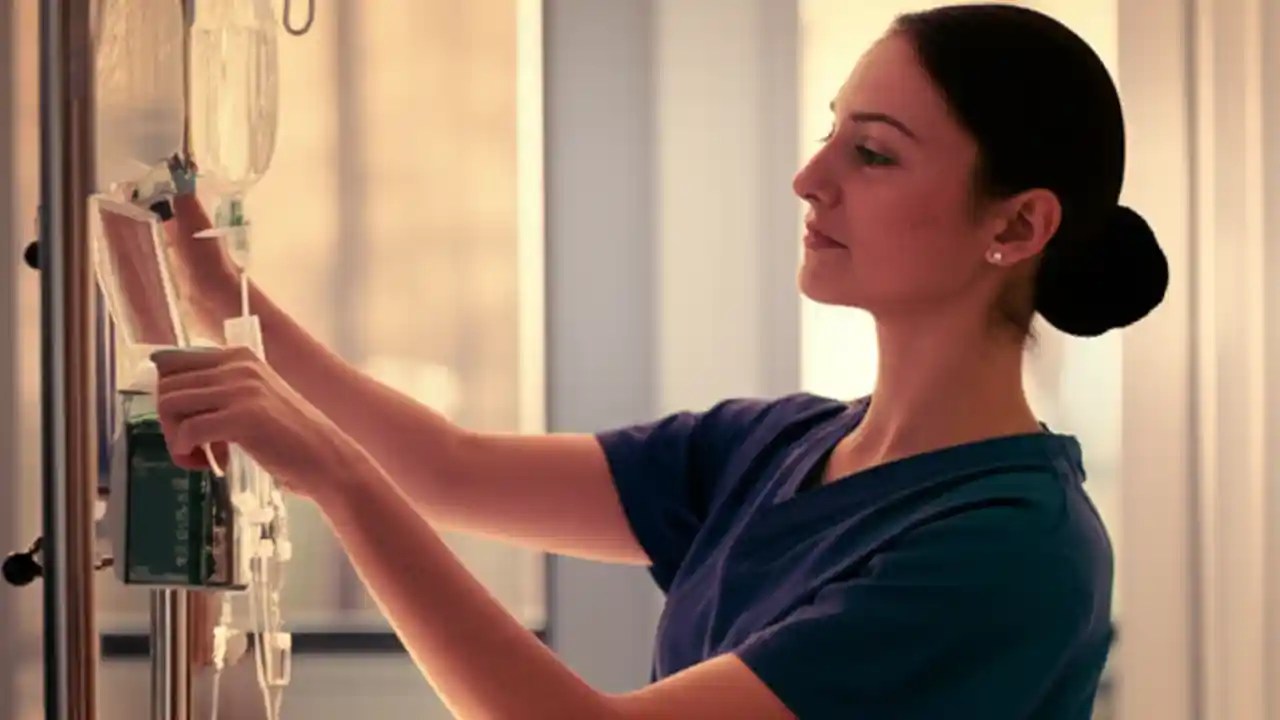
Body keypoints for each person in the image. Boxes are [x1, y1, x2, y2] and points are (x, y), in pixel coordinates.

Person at [152, 4, 1168, 718]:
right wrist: (195, 268)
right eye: (829, 136)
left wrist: (331, 475)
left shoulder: (1006, 554)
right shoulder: (774, 445)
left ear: (1017, 224)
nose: (809, 178)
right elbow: (445, 467)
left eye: (872, 152)